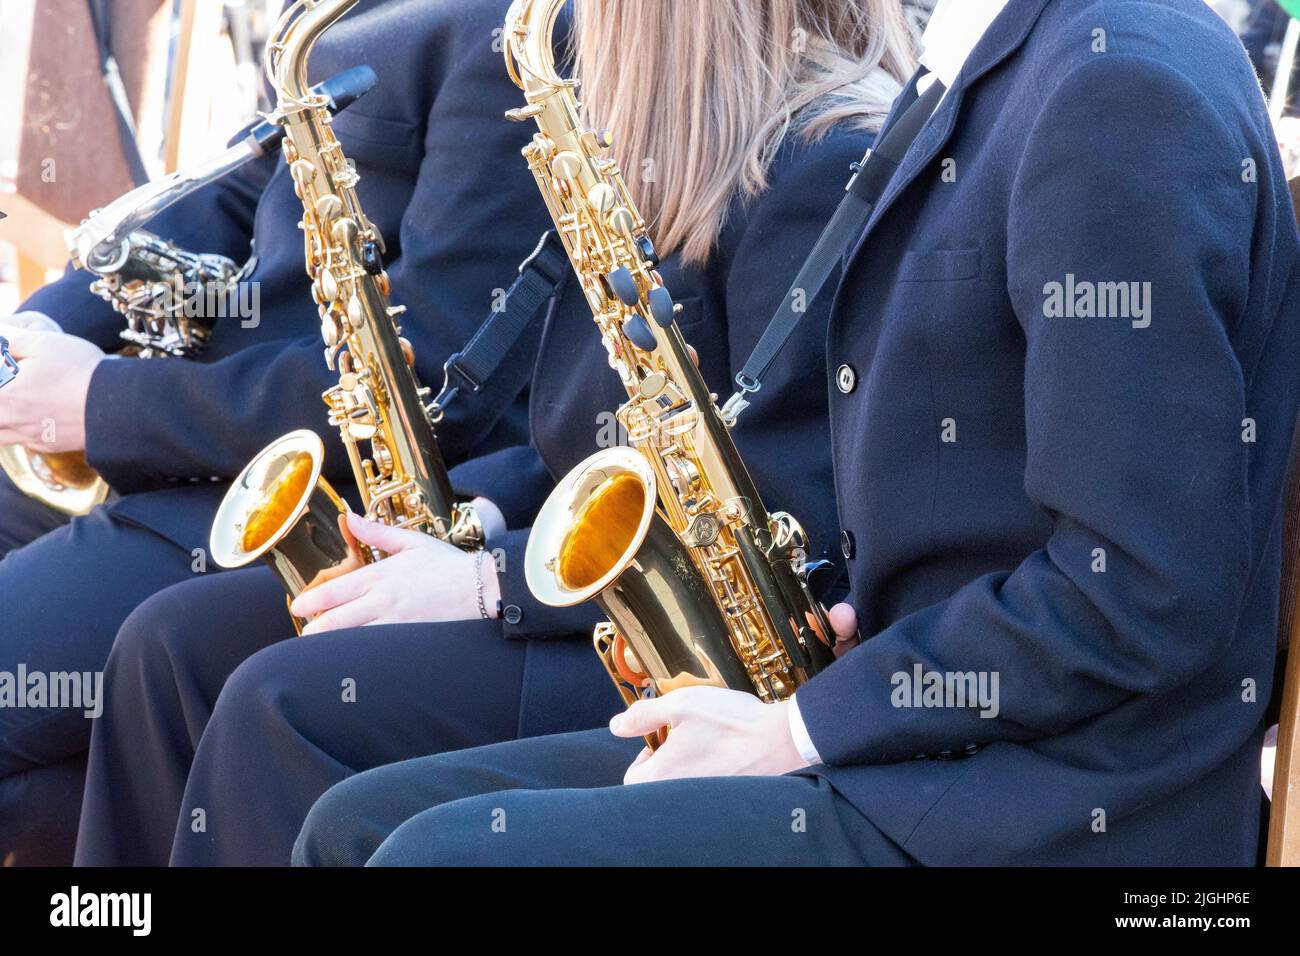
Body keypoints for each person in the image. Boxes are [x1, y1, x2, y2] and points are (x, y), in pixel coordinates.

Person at [296, 0, 1300, 867]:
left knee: (434, 853)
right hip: (940, 743)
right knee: (358, 824)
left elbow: (1135, 589)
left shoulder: (1115, 87)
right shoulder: (1020, 53)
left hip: (1050, 810)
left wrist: (801, 725)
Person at [72, 0, 915, 866]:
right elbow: (581, 441)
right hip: (581, 597)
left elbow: (784, 535)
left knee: (279, 703)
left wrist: (486, 583)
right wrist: (479, 516)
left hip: (693, 659)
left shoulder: (819, 167)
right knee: (172, 646)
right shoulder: (651, 161)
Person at [0, 0, 556, 865]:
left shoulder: (515, 37)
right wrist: (42, 330)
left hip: (301, 486)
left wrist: (102, 404)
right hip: (193, 433)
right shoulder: (345, 15)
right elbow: (241, 181)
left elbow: (435, 384)